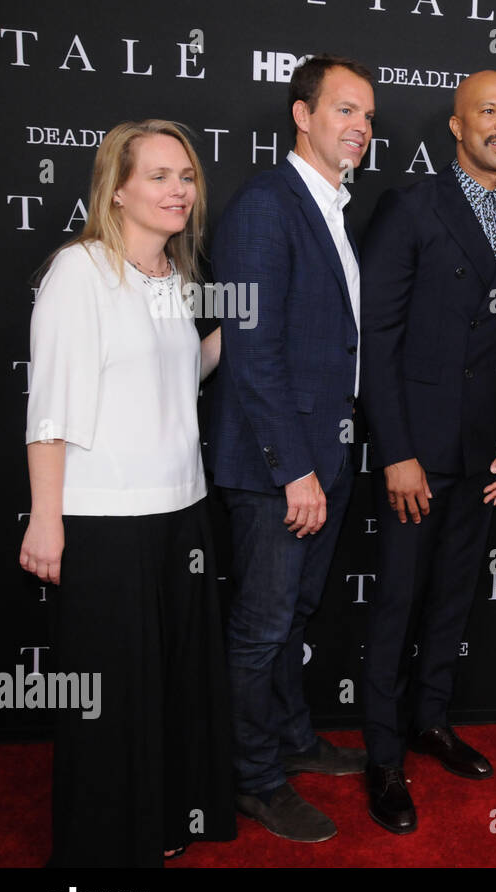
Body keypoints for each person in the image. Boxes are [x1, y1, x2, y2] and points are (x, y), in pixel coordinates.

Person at [20, 119, 233, 866]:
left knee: (168, 685)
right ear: (117, 191)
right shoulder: (79, 273)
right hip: (105, 521)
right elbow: (48, 408)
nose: (179, 190)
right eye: (159, 176)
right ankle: (101, 850)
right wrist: (47, 519)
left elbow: (178, 376)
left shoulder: (176, 277)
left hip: (181, 512)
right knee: (109, 699)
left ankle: (161, 822)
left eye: (186, 177)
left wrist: (246, 331)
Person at [360, 70, 496, 831]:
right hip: (418, 453)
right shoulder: (411, 207)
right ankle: (380, 756)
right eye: (488, 112)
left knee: (453, 598)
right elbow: (377, 336)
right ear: (457, 127)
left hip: (481, 456)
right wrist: (396, 450)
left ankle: (430, 719)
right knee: (398, 602)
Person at [209, 54, 375, 843]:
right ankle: (253, 778)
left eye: (368, 116)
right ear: (301, 115)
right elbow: (253, 351)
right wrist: (296, 470)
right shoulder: (264, 208)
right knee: (263, 625)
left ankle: (291, 737)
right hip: (280, 468)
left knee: (295, 614)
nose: (361, 127)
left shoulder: (333, 209)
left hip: (324, 459)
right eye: (344, 110)